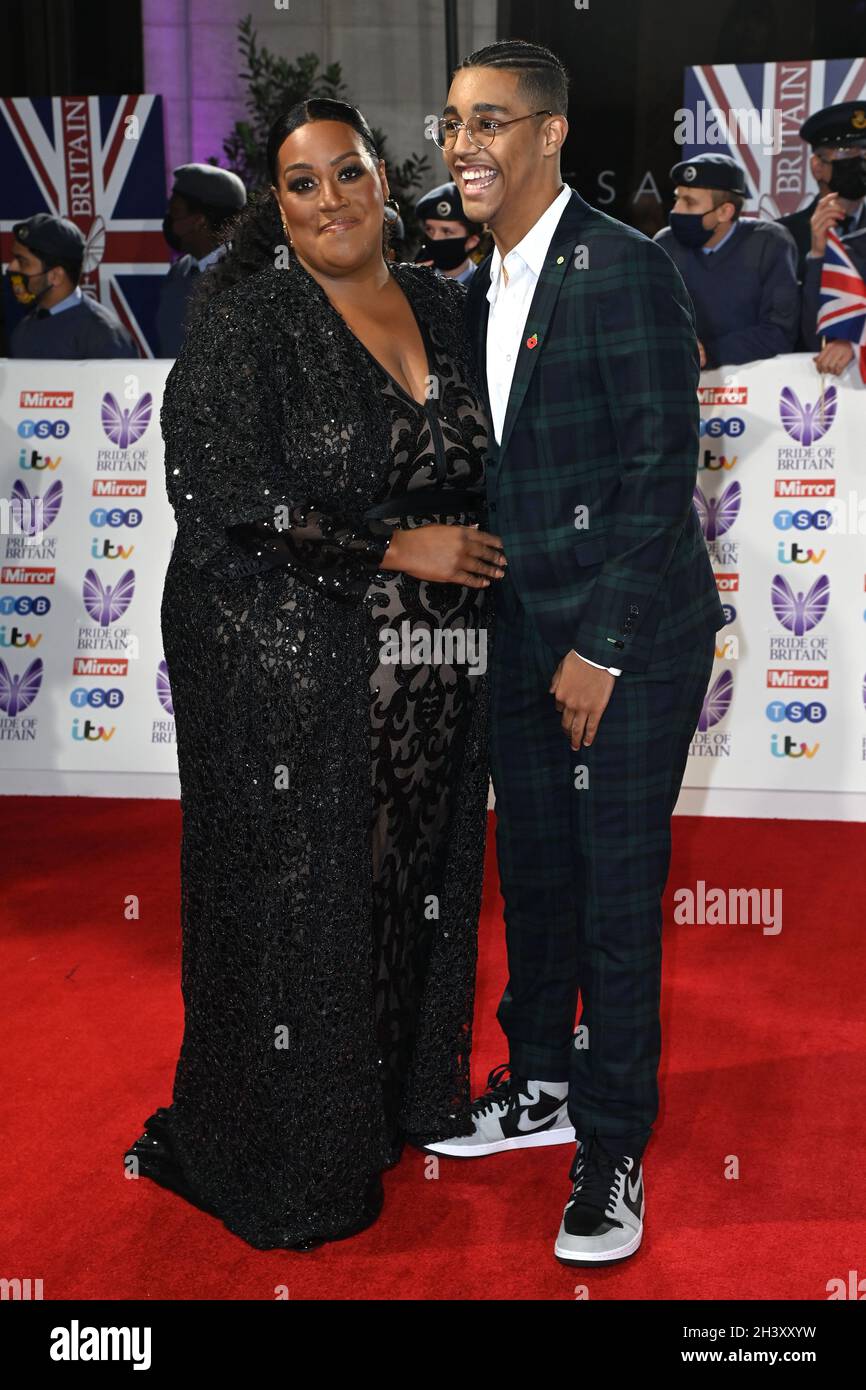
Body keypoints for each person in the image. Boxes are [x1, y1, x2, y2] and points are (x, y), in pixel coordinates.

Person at [123, 99, 507, 1251]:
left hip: (422, 661)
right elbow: (223, 489)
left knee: (402, 879)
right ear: (276, 208)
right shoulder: (253, 324)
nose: (331, 200)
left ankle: (384, 1101)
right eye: (301, 185)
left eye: (347, 174)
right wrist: (398, 547)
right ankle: (295, 1154)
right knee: (305, 897)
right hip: (281, 651)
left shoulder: (441, 304)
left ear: (383, 179)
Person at [422, 40, 725, 1267]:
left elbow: (663, 468)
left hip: (629, 642)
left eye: (488, 122)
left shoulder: (622, 267)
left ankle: (610, 1140)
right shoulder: (472, 284)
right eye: (450, 122)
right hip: (516, 634)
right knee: (536, 875)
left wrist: (600, 646)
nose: (460, 146)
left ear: (547, 134)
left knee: (609, 895)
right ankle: (539, 1077)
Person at [654, 153, 799, 368]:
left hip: (755, 384)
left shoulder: (769, 243)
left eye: (689, 203)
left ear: (725, 211)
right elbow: (652, 319)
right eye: (677, 199)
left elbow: (779, 332)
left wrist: (709, 353)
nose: (676, 211)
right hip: (681, 383)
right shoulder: (666, 245)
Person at [780, 104, 866, 377]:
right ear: (818, 166)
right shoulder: (784, 236)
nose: (861, 160)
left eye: (865, 152)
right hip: (804, 385)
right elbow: (788, 325)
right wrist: (817, 255)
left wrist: (854, 339)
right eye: (848, 152)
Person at [6, 214, 137, 358]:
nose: (11, 268)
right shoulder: (23, 329)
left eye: (23, 262)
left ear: (55, 276)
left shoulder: (104, 335)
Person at [155, 162, 247, 356]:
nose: (169, 219)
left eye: (175, 212)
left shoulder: (245, 278)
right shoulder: (179, 272)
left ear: (199, 221)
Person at [415, 179, 482, 283]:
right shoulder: (415, 282)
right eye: (429, 229)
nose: (435, 238)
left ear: (472, 241)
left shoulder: (487, 290)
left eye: (447, 232)